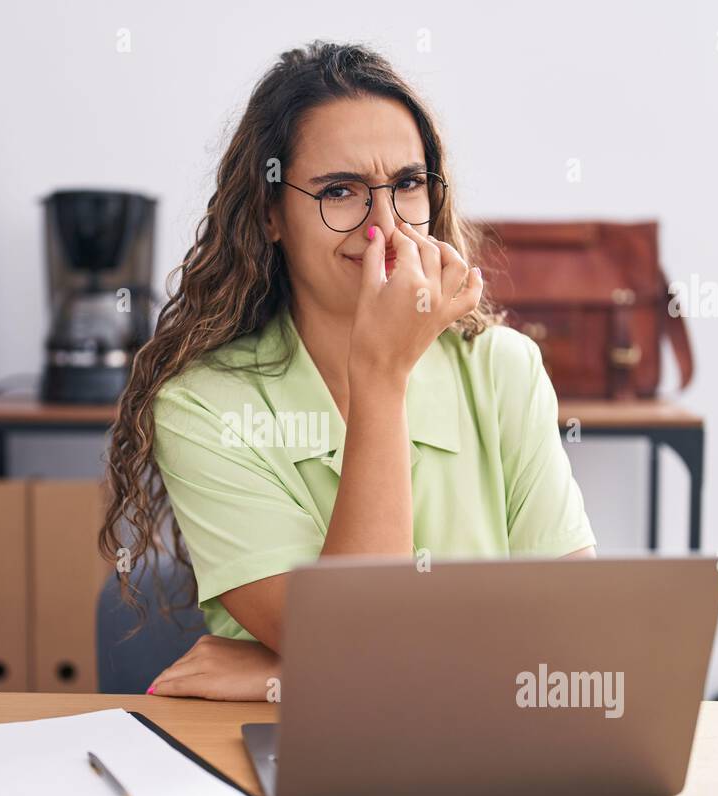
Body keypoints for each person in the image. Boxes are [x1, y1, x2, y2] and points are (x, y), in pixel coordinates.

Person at [100, 42, 597, 701]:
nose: (384, 227)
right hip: (286, 756)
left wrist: (290, 672)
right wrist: (382, 378)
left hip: (488, 743)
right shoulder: (205, 406)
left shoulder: (502, 369)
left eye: (408, 185)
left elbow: (572, 642)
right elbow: (366, 643)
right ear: (271, 214)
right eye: (341, 192)